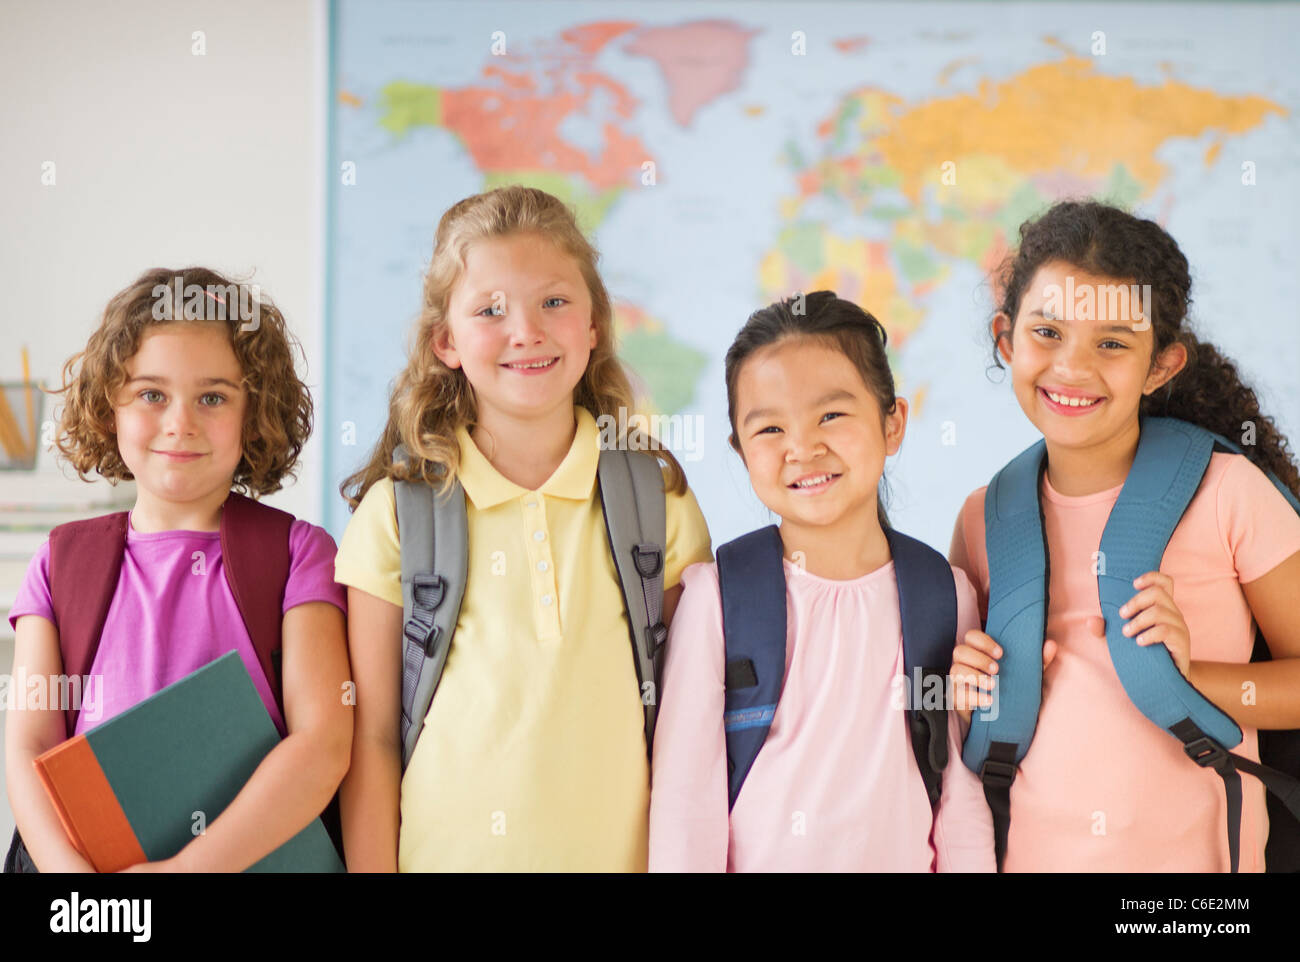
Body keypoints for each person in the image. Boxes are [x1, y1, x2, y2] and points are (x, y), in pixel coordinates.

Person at [336, 185, 712, 872]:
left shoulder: (658, 505)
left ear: (594, 324)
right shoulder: (397, 513)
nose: (526, 332)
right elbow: (373, 741)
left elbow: (688, 739)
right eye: (490, 310)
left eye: (555, 302)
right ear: (445, 341)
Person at [950, 200, 1300, 871]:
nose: (1073, 368)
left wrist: (1195, 676)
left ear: (1161, 366)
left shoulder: (1228, 493)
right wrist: (961, 697)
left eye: (1112, 343)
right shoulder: (981, 520)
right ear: (1006, 340)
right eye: (1047, 333)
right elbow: (962, 728)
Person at [5, 267, 350, 872]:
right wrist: (69, 877)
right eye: (151, 394)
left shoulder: (300, 555)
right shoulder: (59, 563)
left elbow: (322, 746)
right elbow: (29, 746)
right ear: (109, 407)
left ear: (255, 413)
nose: (180, 422)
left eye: (212, 397)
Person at [649, 291, 994, 871]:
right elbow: (686, 807)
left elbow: (960, 797)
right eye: (769, 430)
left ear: (893, 424)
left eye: (831, 415)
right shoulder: (719, 599)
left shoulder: (942, 594)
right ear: (740, 451)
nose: (803, 448)